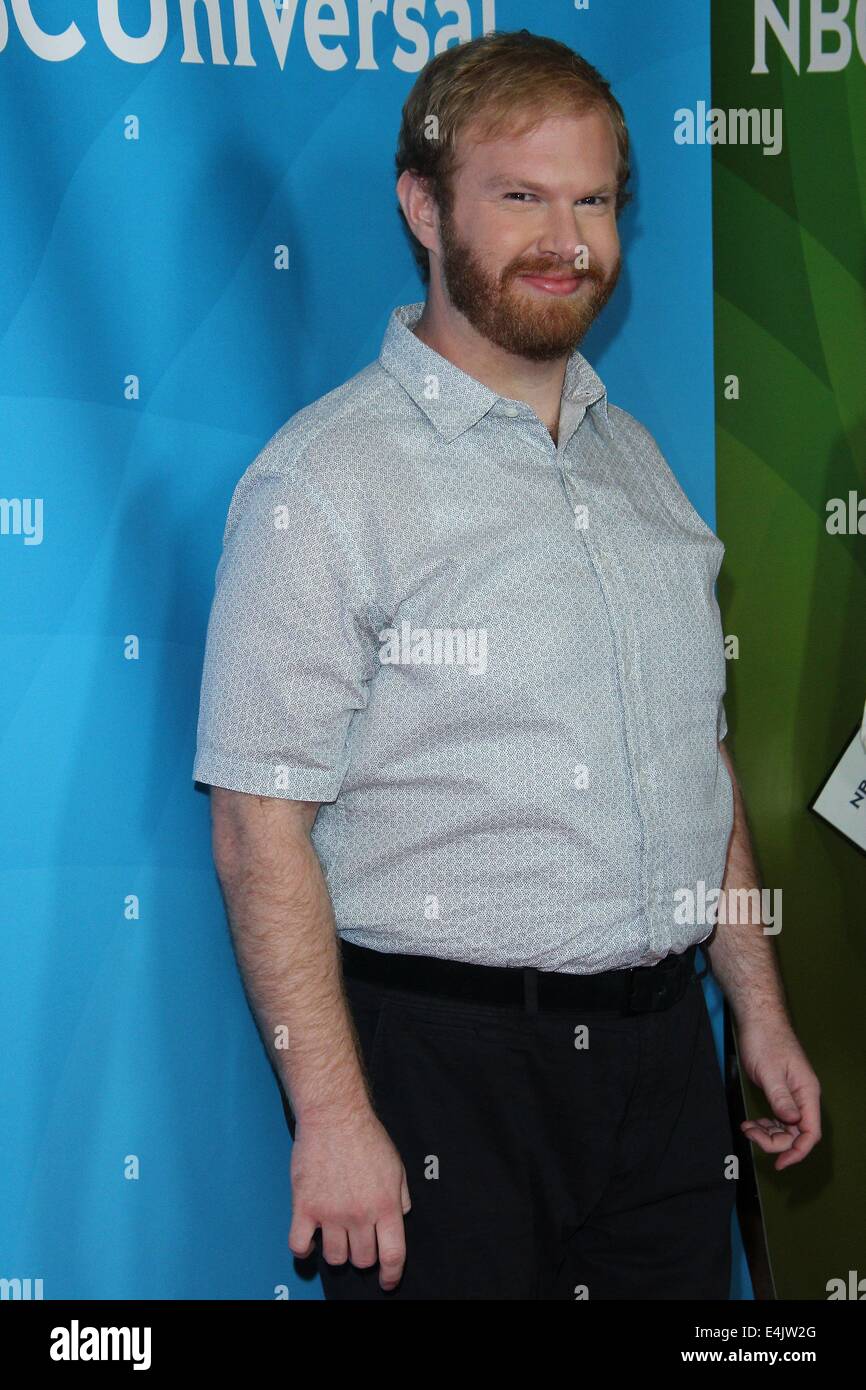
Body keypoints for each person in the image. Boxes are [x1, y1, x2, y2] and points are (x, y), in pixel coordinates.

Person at [192, 29, 821, 1300]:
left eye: (591, 199)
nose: (565, 238)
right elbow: (260, 830)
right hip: (437, 1071)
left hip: (659, 1066)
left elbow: (689, 762)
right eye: (520, 195)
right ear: (422, 206)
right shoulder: (322, 482)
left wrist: (750, 1003)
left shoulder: (633, 461)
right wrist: (332, 1115)